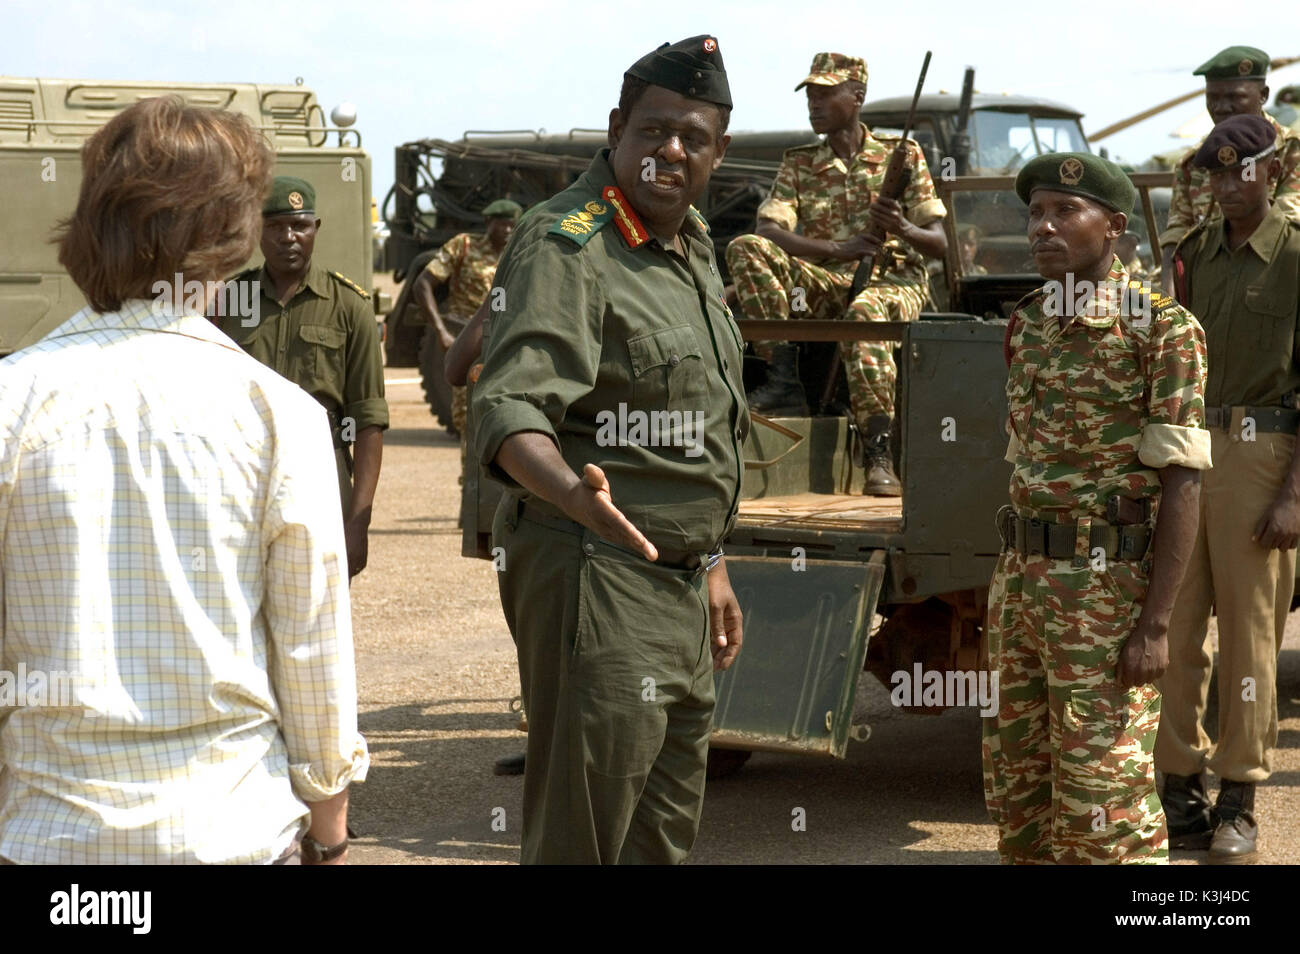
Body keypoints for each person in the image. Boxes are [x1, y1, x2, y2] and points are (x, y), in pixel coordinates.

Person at [0, 97, 367, 865]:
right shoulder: (279, 414)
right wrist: (329, 833)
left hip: (54, 844)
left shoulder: (14, 403)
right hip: (228, 832)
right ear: (234, 239)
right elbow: (312, 650)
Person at [471, 34, 747, 864]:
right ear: (617, 126)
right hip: (598, 576)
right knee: (581, 839)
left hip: (681, 588)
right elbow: (509, 405)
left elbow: (700, 431)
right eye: (655, 130)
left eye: (692, 138)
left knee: (660, 837)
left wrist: (714, 563)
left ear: (718, 151)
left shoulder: (691, 244)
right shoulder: (569, 242)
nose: (672, 151)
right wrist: (568, 493)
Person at [984, 152, 1211, 864]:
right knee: (1020, 794)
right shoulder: (1028, 323)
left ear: (1112, 227)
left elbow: (1183, 480)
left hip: (1104, 595)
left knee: (1102, 802)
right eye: (1035, 213)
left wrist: (1157, 623)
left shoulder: (1162, 330)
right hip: (1021, 584)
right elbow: (1024, 459)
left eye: (1063, 213)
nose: (1043, 228)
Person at [1158, 115, 1300, 864]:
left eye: (1240, 171)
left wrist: (1294, 495)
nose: (1226, 186)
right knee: (1174, 631)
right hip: (1186, 451)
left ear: (1272, 173)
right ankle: (1179, 793)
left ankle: (1240, 798)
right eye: (1214, 174)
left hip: (1261, 454)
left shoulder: (1297, 256)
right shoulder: (1189, 256)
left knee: (1249, 640)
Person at [726, 52, 947, 496]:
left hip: (894, 282)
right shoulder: (800, 161)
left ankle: (878, 455)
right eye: (810, 95)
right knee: (746, 248)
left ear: (858, 96)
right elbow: (769, 229)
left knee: (865, 312)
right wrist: (837, 249)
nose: (815, 104)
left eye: (826, 93)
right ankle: (783, 377)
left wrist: (900, 226)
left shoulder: (901, 155)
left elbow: (939, 241)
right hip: (827, 281)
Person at [223, 177, 388, 578]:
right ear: (258, 232)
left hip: (322, 472)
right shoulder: (228, 302)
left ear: (316, 229)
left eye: (300, 225)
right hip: (243, 472)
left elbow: (368, 420)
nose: (289, 237)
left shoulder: (349, 307)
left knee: (318, 611)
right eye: (276, 227)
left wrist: (357, 522)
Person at [1158, 46, 1300, 291]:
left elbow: (1289, 227)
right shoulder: (1195, 161)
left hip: (1271, 277)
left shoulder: (1290, 150)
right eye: (1213, 98)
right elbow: (1177, 233)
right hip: (1203, 276)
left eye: (1235, 98)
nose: (1221, 107)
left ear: (1263, 95)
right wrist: (1168, 293)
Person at [413, 198, 522, 443]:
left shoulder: (518, 253)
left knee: (504, 422)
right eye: (501, 224)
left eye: (511, 225)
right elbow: (423, 285)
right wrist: (441, 331)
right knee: (468, 423)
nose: (506, 230)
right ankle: (469, 480)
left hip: (503, 348)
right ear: (487, 222)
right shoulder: (463, 246)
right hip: (469, 347)